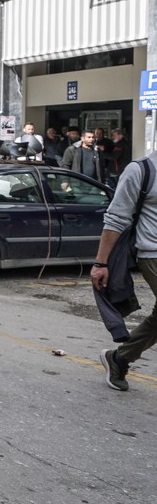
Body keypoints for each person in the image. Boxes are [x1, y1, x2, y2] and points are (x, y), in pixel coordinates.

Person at [91, 152, 157, 391]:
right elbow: (117, 217)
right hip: (152, 253)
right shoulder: (141, 170)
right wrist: (101, 263)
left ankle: (119, 359)